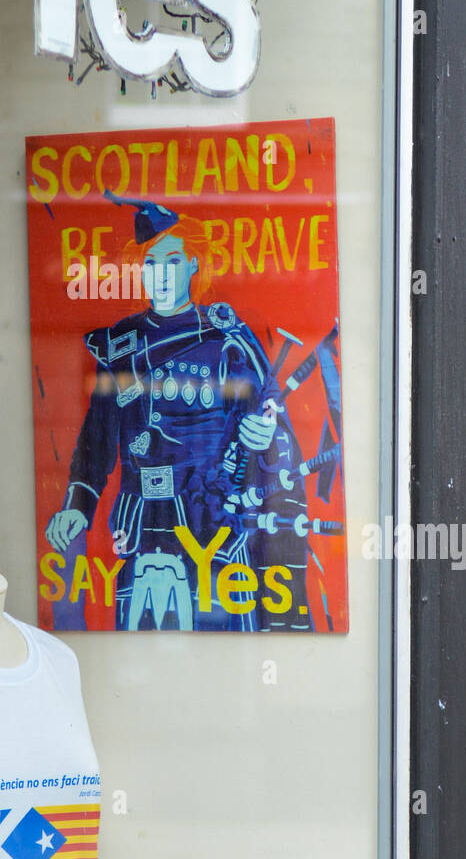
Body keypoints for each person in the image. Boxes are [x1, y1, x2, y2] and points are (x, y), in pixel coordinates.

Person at [45, 192, 310, 631]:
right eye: (150, 264)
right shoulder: (118, 347)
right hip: (141, 525)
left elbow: (271, 420)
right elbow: (96, 443)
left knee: (223, 647)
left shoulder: (227, 338)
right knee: (138, 648)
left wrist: (265, 443)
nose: (160, 275)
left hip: (213, 523)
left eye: (171, 261)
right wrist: (77, 504)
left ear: (192, 265)